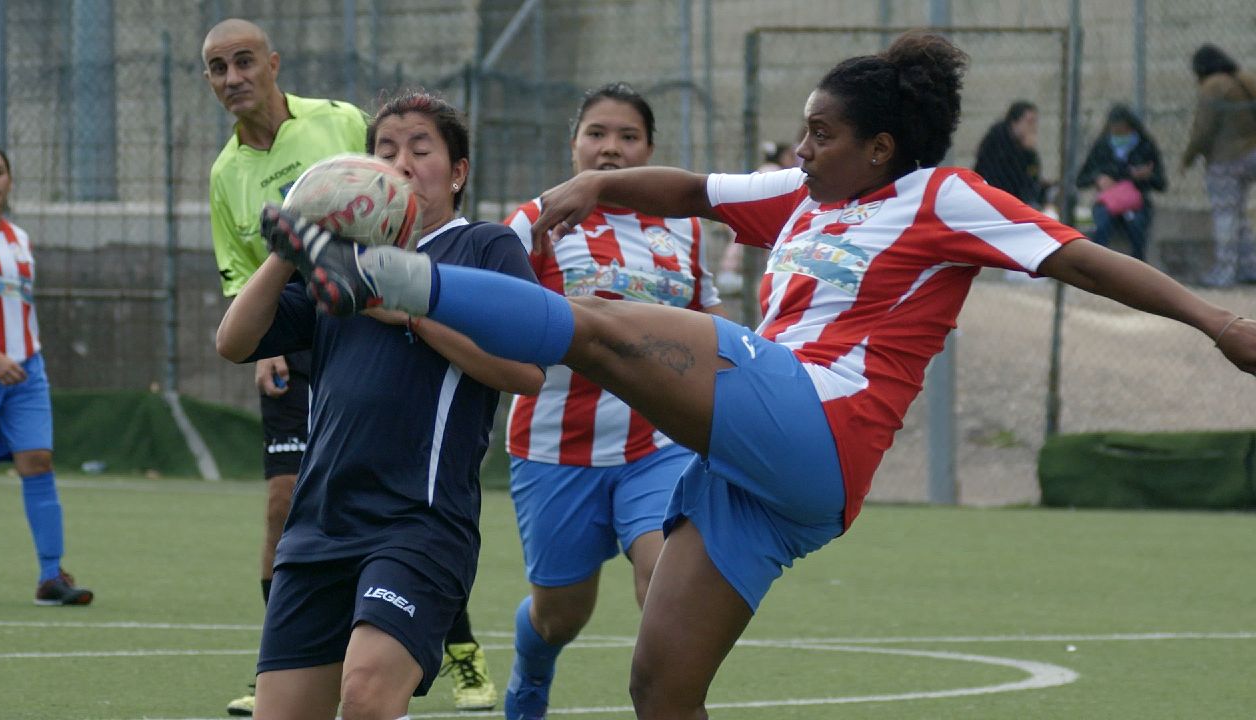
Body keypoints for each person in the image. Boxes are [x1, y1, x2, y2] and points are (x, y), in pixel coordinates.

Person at [277, 31, 1256, 720]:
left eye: (820, 134)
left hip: (819, 418)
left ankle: (377, 275)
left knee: (597, 332)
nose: (800, 148)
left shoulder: (940, 196)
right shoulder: (801, 193)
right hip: (767, 484)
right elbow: (692, 190)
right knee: (660, 691)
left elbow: (1080, 256)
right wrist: (600, 185)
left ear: (879, 147)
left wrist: (1212, 320)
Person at [217, 91, 543, 720]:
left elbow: (527, 371)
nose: (401, 162)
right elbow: (235, 341)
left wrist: (409, 313)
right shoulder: (337, 264)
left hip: (415, 522)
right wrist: (289, 248)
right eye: (384, 151)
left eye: (420, 150)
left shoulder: (483, 247)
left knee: (366, 697)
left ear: (457, 172)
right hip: (318, 525)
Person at [500, 82, 724, 719]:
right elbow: (497, 316)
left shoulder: (684, 229)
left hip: (659, 445)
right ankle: (530, 676)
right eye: (596, 133)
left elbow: (707, 322)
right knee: (559, 616)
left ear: (650, 149)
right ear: (573, 145)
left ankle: (667, 704)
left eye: (628, 137)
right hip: (554, 450)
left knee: (664, 582)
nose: (611, 149)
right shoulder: (533, 220)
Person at [0, 144, 94, 607]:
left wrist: (23, 357)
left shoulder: (20, 239)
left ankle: (50, 577)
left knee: (38, 460)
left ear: (9, 180)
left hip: (26, 370)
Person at [1182, 43, 1256, 287]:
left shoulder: (1213, 86)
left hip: (1226, 160)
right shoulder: (1246, 79)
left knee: (1226, 214)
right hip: (1252, 154)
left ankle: (1224, 273)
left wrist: (1188, 158)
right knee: (1240, 215)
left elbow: (1203, 129)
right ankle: (1249, 268)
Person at [1076, 103, 1167, 262]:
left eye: (1123, 131)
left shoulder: (1145, 146)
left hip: (1135, 202)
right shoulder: (1102, 146)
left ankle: (1138, 268)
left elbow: (1161, 183)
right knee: (1101, 224)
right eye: (1116, 132)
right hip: (1108, 201)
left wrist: (1145, 176)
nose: (1119, 136)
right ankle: (1095, 264)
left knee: (1136, 224)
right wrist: (1098, 179)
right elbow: (1081, 179)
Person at [973, 100, 1050, 208]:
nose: (1033, 127)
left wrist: (1030, 153)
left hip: (1019, 197)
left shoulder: (1025, 145)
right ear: (1015, 122)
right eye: (1029, 122)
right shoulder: (998, 139)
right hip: (994, 196)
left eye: (1035, 122)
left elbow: (1032, 178)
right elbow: (1008, 177)